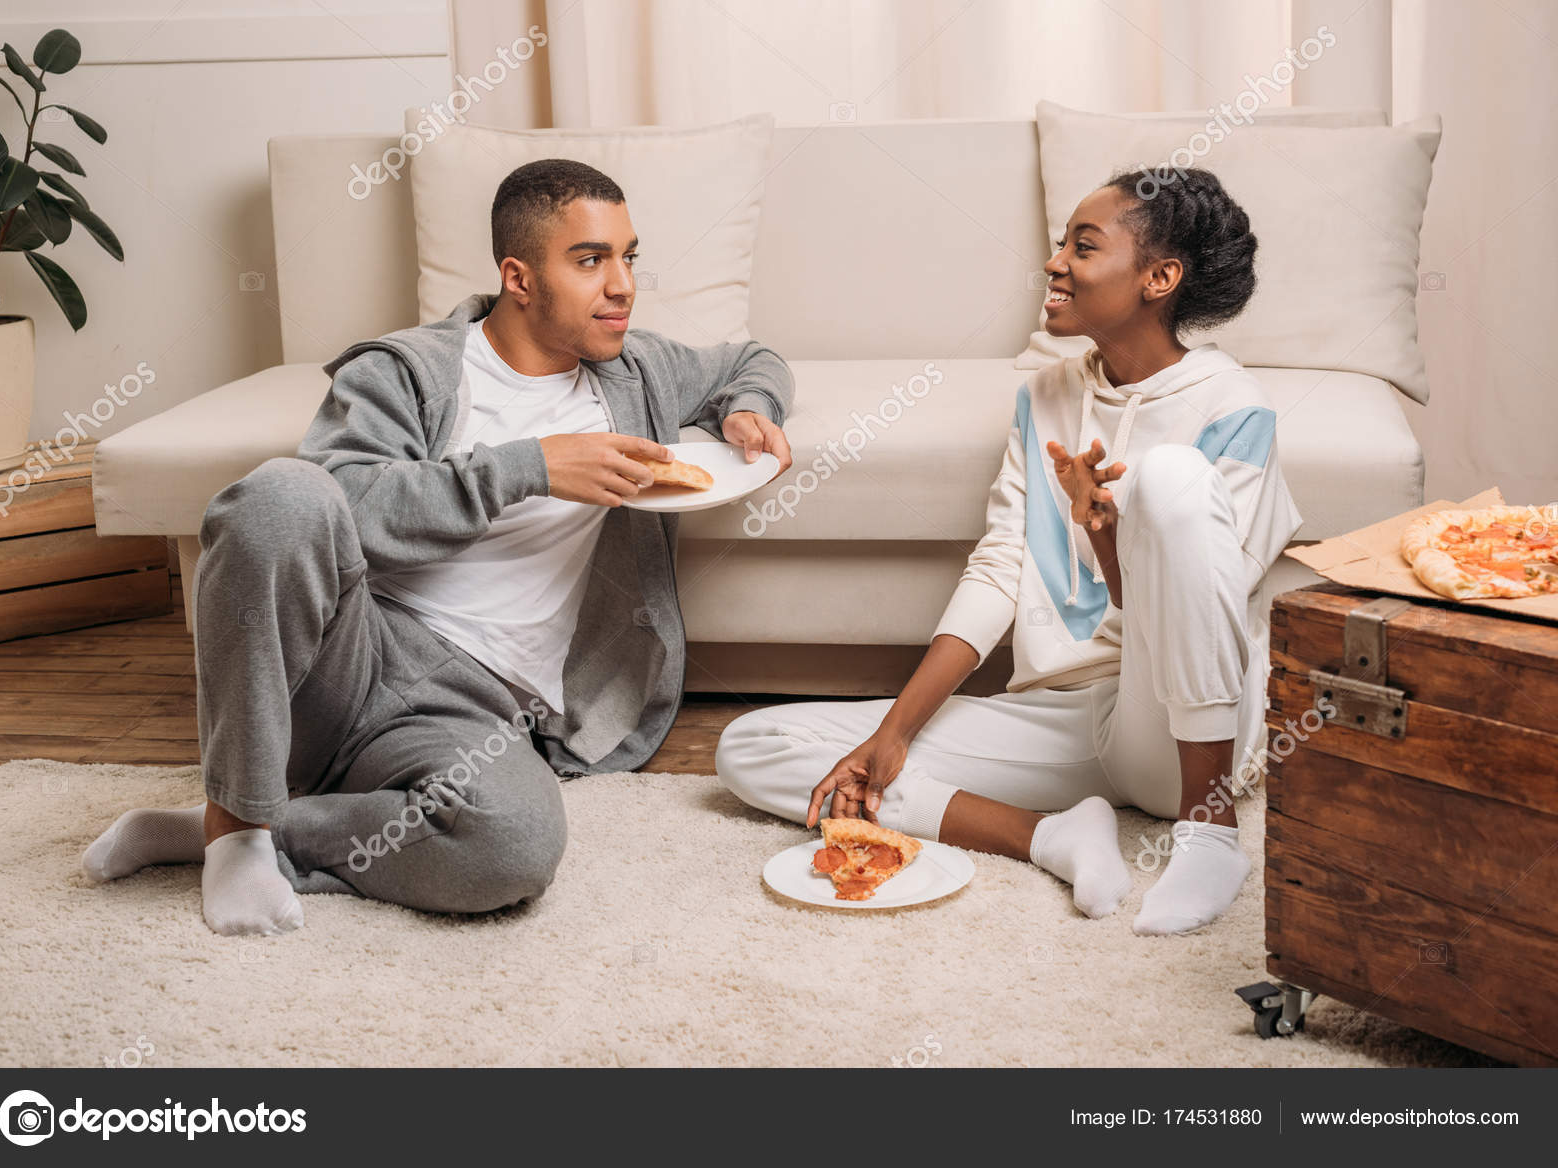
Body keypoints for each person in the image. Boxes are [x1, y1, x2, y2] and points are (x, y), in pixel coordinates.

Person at [82, 159, 794, 936]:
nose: (622, 283)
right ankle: (238, 823)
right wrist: (529, 469)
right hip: (351, 659)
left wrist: (747, 409)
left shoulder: (634, 371)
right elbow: (334, 504)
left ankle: (231, 830)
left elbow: (749, 360)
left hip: (469, 712)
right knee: (279, 493)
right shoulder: (410, 370)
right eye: (590, 261)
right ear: (519, 278)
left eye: (627, 255)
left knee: (514, 845)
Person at [717, 167, 1302, 935]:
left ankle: (1210, 830)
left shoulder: (1237, 410)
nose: (1055, 265)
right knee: (752, 746)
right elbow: (1000, 565)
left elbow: (1202, 611)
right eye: (1060, 245)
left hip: (1173, 729)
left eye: (1082, 248)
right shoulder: (1045, 395)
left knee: (1171, 478)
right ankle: (1050, 835)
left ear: (1159, 277)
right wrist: (892, 735)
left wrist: (1103, 529)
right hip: (1060, 715)